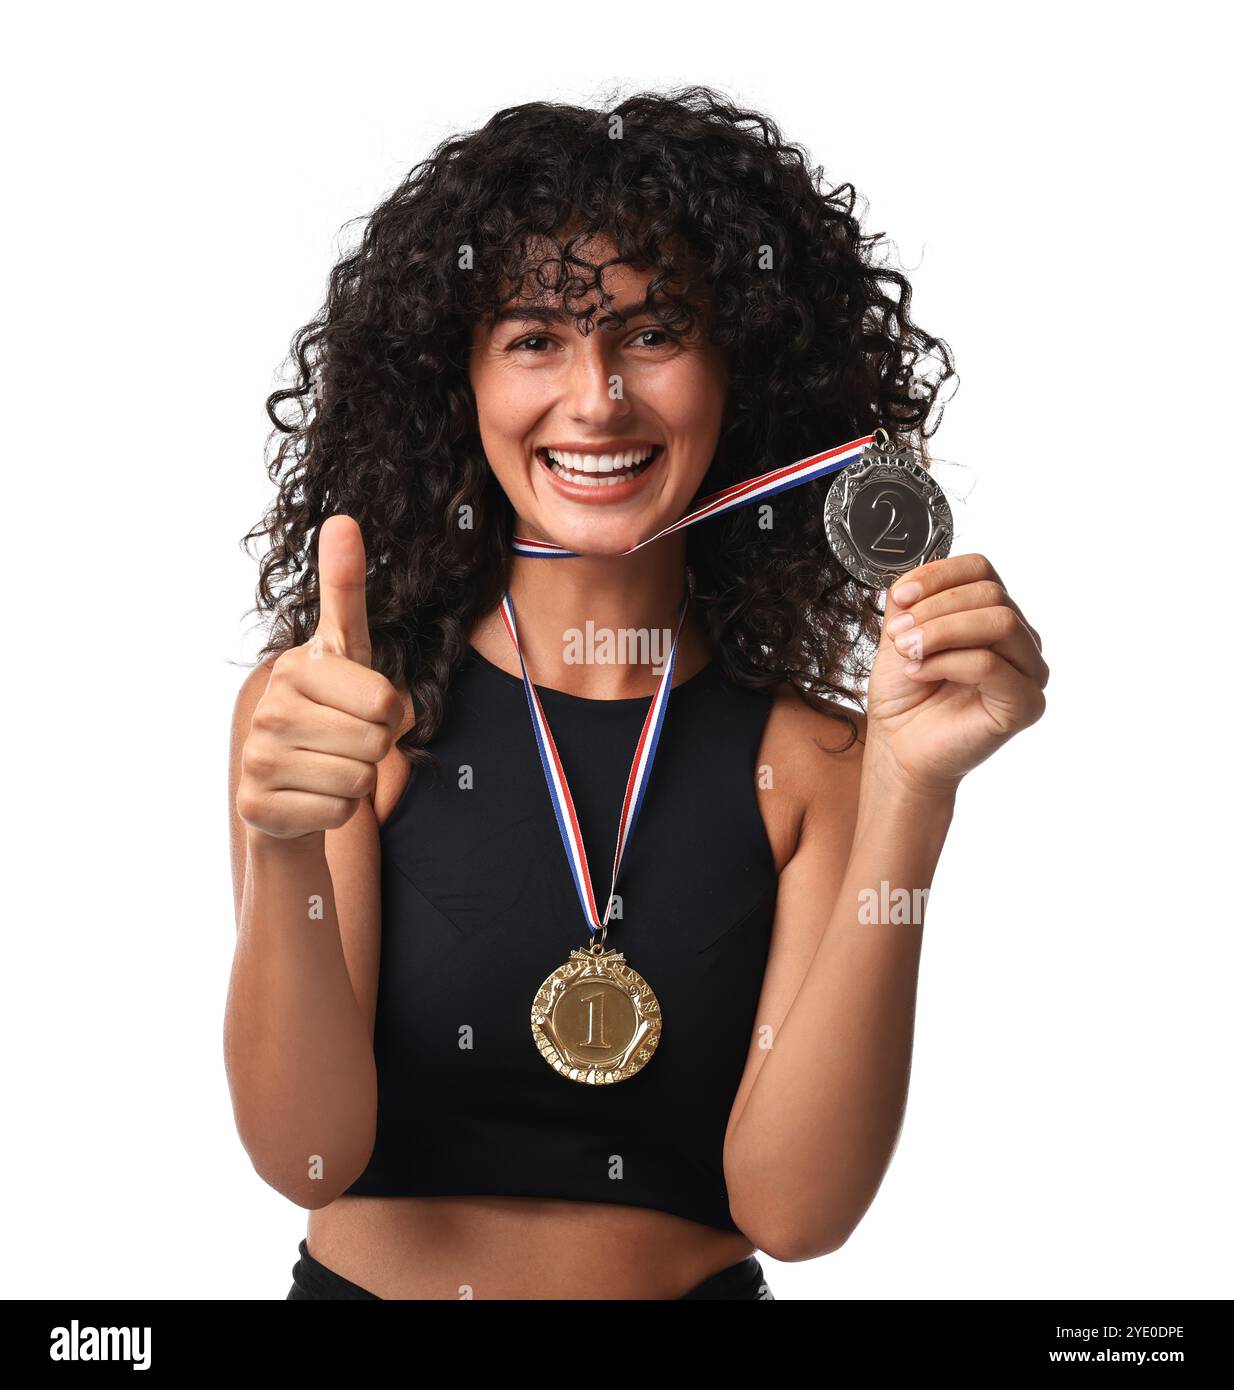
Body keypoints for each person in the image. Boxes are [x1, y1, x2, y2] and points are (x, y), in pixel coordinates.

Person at [225, 87, 1048, 1300]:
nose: (599, 396)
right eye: (533, 338)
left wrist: (910, 798)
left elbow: (797, 1209)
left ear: (743, 373)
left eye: (654, 333)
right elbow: (305, 1154)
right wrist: (283, 840)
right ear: (456, 382)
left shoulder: (819, 761)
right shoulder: (338, 713)